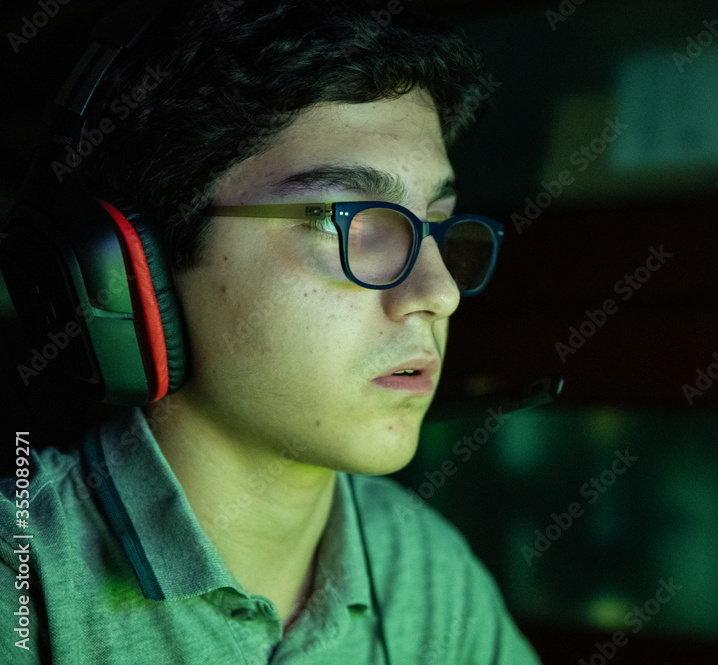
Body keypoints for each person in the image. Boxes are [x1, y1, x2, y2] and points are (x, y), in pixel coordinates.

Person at [0, 1, 540, 662]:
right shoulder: (21, 590)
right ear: (138, 265)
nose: (440, 292)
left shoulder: (426, 570)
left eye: (434, 221)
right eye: (349, 219)